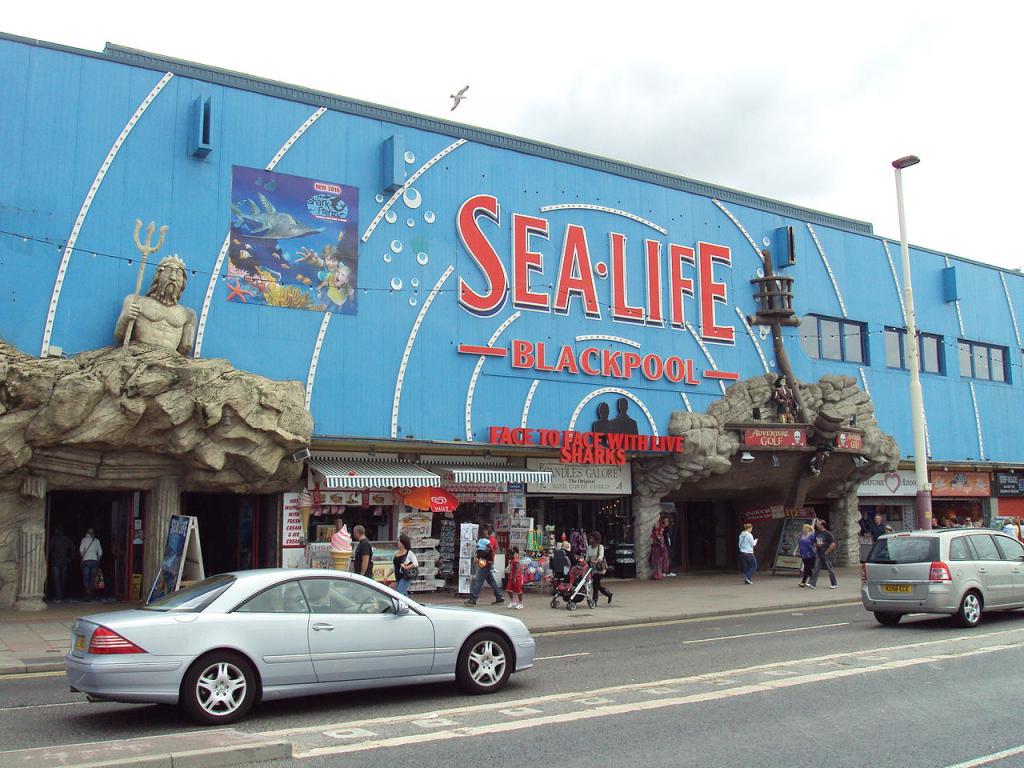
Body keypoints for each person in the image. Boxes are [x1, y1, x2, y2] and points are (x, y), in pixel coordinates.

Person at [465, 535, 504, 606]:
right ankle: (499, 597)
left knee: (479, 581)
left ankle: (473, 599)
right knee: (491, 581)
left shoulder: (488, 541)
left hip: (484, 563)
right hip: (485, 562)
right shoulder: (486, 540)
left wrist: (482, 557)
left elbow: (489, 551)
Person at [808, 519, 838, 589]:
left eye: (818, 524)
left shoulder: (828, 534)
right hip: (819, 552)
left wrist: (827, 552)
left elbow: (833, 544)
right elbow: (815, 541)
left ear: (822, 525)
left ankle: (834, 583)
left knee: (829, 569)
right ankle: (812, 584)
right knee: (816, 568)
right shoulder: (817, 533)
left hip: (826, 553)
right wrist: (816, 546)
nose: (817, 525)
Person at [48, 527, 76, 602]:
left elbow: (48, 550)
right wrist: (69, 559)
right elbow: (73, 549)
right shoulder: (67, 539)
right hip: (64, 562)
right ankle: (61, 596)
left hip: (55, 562)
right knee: (62, 580)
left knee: (56, 580)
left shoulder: (53, 540)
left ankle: (58, 597)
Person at [586, 532, 613, 604]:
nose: (590, 539)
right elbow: (587, 558)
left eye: (592, 538)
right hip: (593, 569)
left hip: (600, 568)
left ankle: (595, 600)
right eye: (590, 538)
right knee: (597, 584)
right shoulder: (589, 548)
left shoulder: (600, 547)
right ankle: (608, 593)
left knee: (595, 583)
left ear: (596, 539)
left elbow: (601, 556)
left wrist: (596, 561)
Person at [79, 527, 102, 600]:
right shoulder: (97, 541)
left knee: (86, 578)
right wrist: (98, 559)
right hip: (95, 561)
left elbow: (81, 550)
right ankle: (91, 595)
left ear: (87, 533)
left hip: (86, 561)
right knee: (92, 578)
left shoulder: (84, 540)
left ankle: (87, 595)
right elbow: (100, 552)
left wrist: (83, 557)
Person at [797, 523, 817, 587]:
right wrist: (795, 551)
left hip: (810, 554)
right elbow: (799, 544)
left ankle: (803, 582)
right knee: (808, 568)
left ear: (808, 529)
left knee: (807, 568)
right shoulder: (801, 536)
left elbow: (817, 543)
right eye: (803, 528)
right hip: (803, 554)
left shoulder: (812, 536)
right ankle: (813, 578)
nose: (803, 529)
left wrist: (815, 549)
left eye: (804, 528)